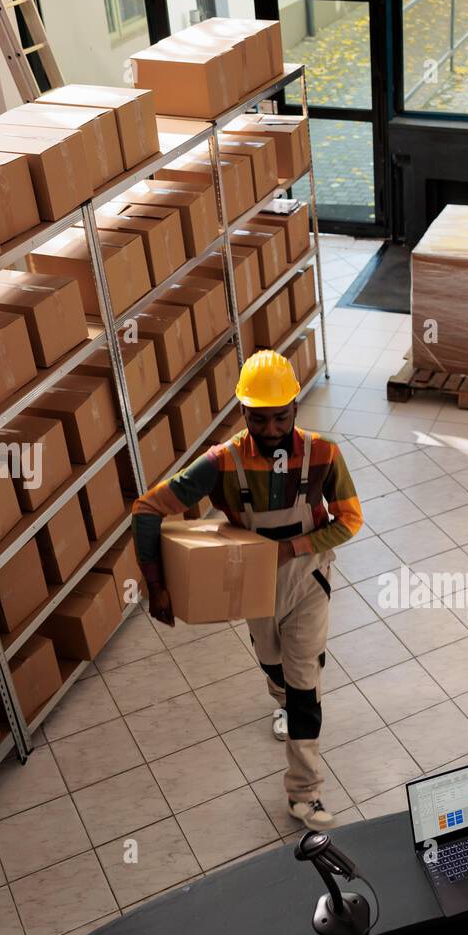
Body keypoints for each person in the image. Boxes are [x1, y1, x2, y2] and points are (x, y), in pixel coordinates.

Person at [131, 349, 363, 831]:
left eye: (281, 417)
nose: (273, 430)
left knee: (305, 679)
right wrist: (157, 586)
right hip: (251, 584)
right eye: (261, 420)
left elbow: (350, 520)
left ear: (296, 408)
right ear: (244, 414)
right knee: (271, 658)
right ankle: (279, 696)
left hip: (308, 577)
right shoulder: (222, 462)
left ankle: (305, 793)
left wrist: (295, 546)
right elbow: (147, 509)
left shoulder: (324, 454)